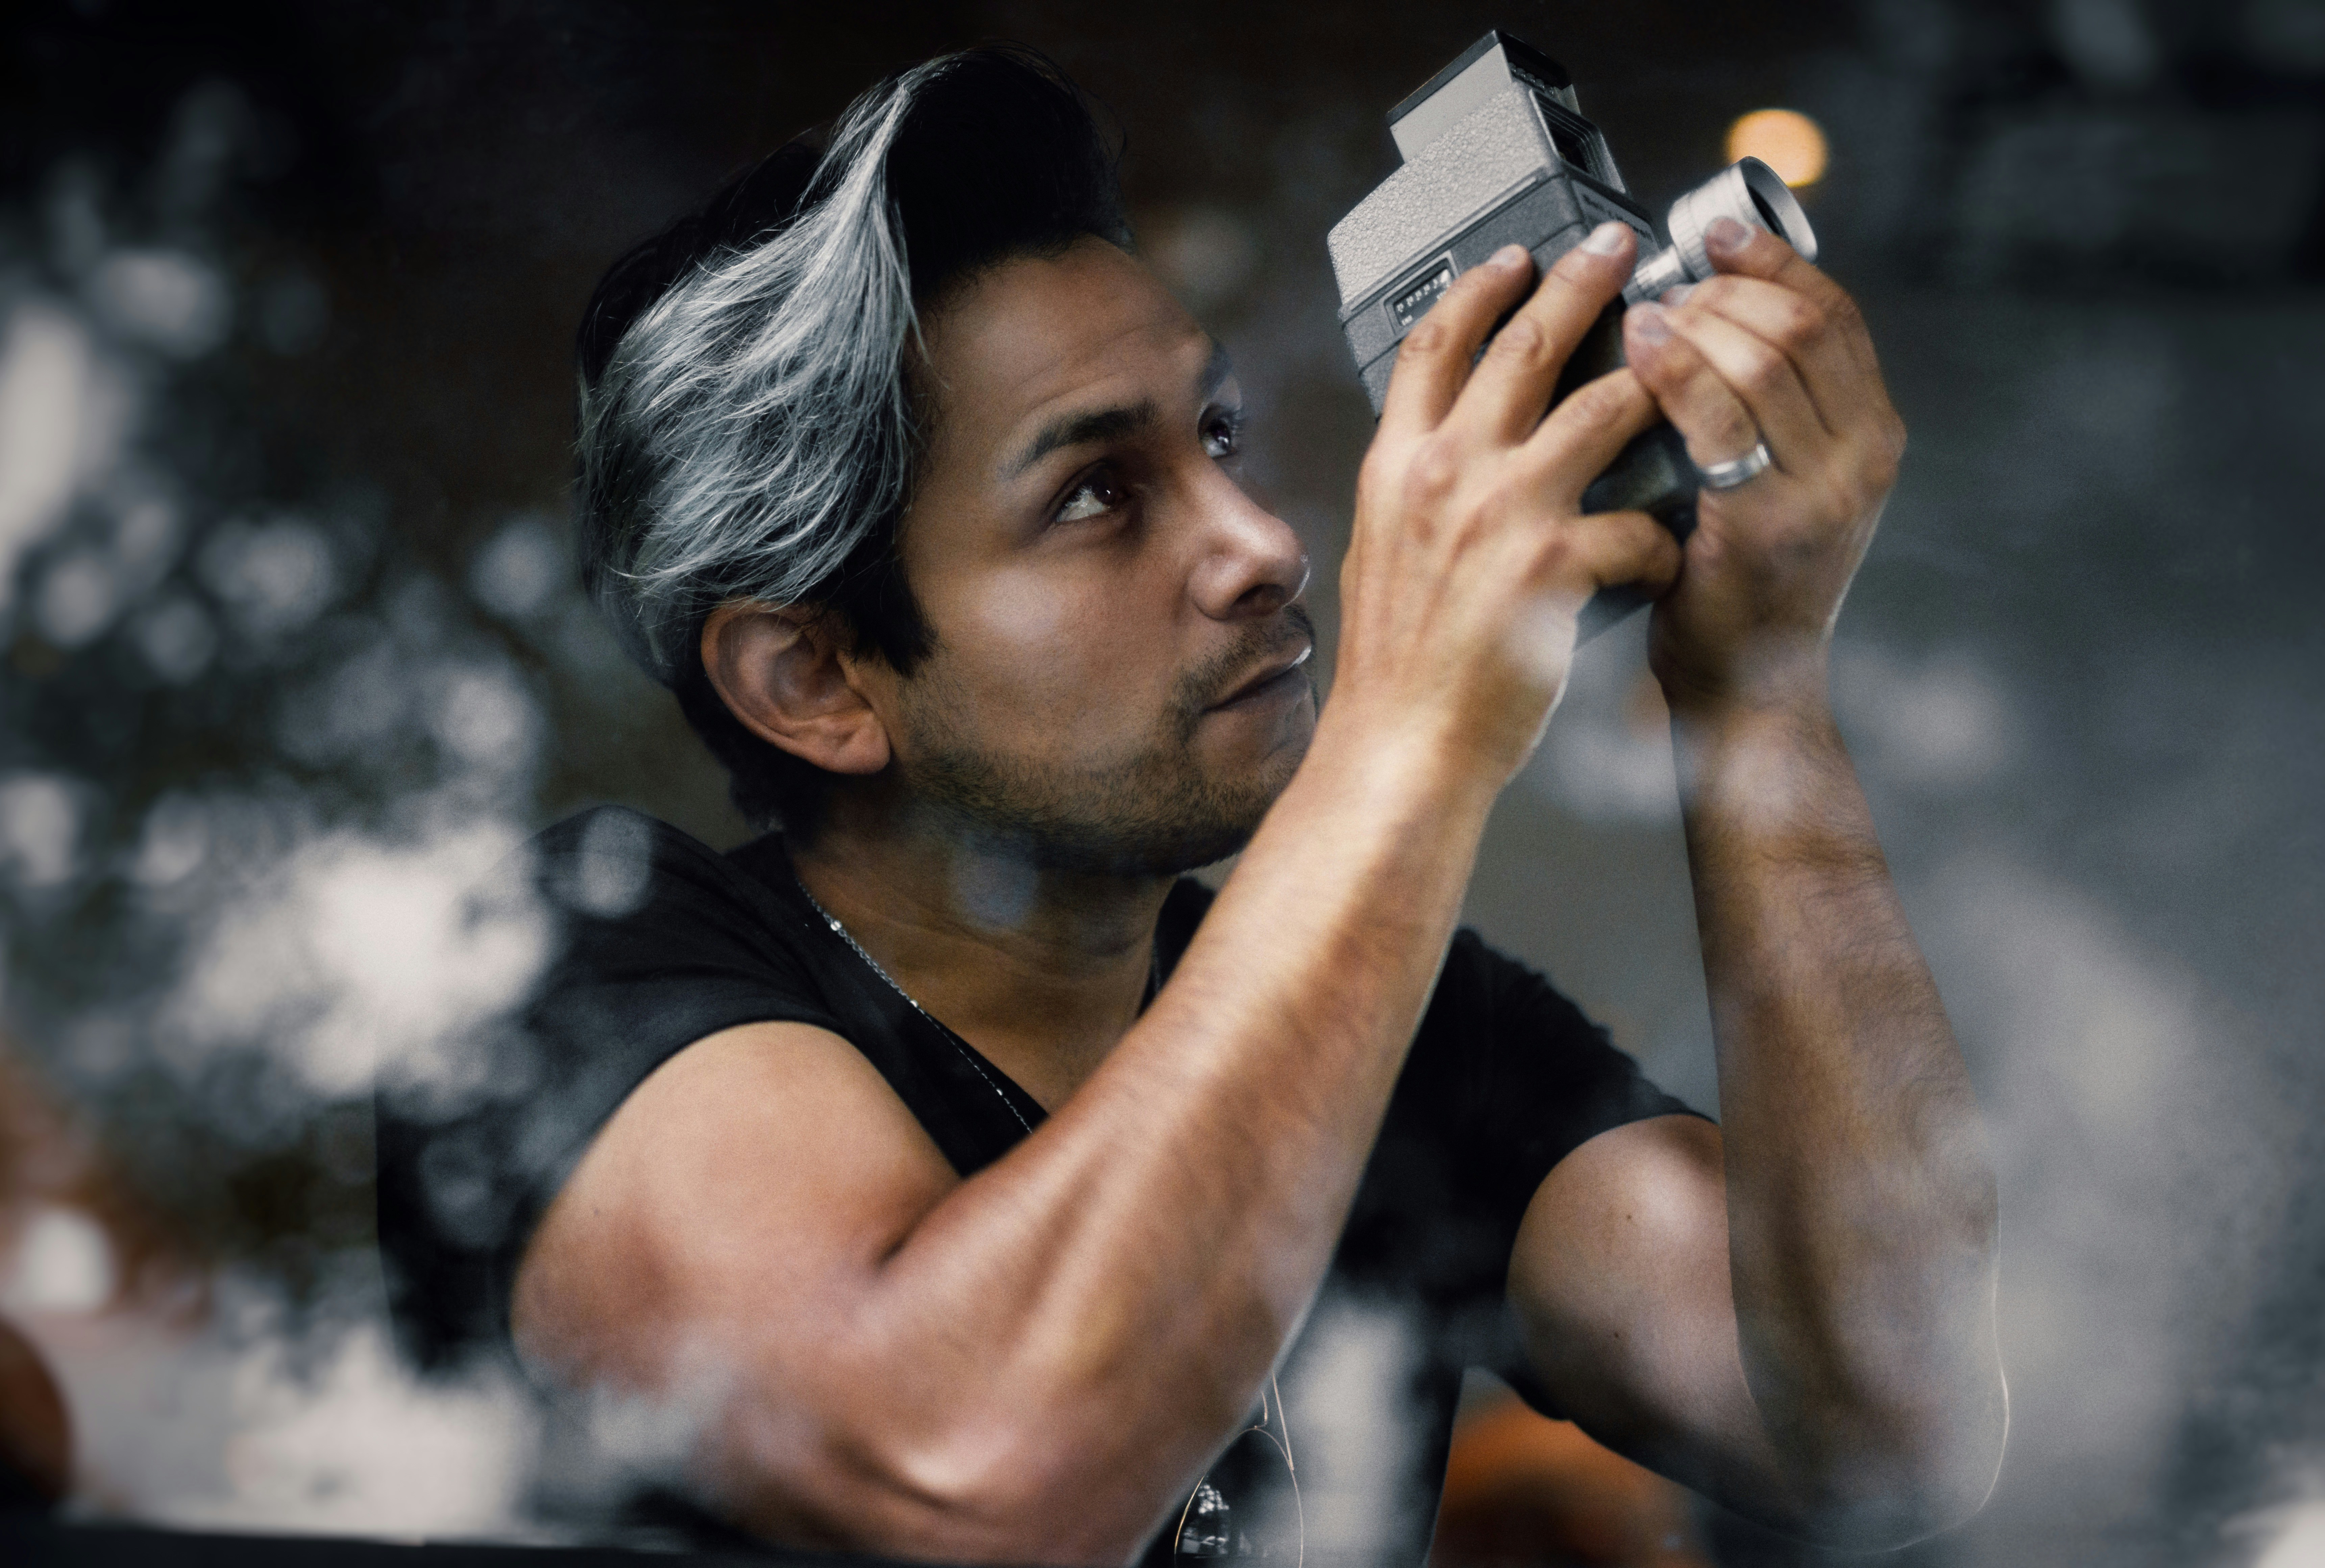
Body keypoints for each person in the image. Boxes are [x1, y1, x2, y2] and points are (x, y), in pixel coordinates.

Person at [375, 45, 2006, 1565]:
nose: (1265, 541)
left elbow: (1888, 1427)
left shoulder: (1413, 1042)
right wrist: (1409, 731)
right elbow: (970, 1467)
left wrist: (1756, 684)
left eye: (1217, 435)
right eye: (1096, 491)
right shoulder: (576, 962)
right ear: (815, 679)